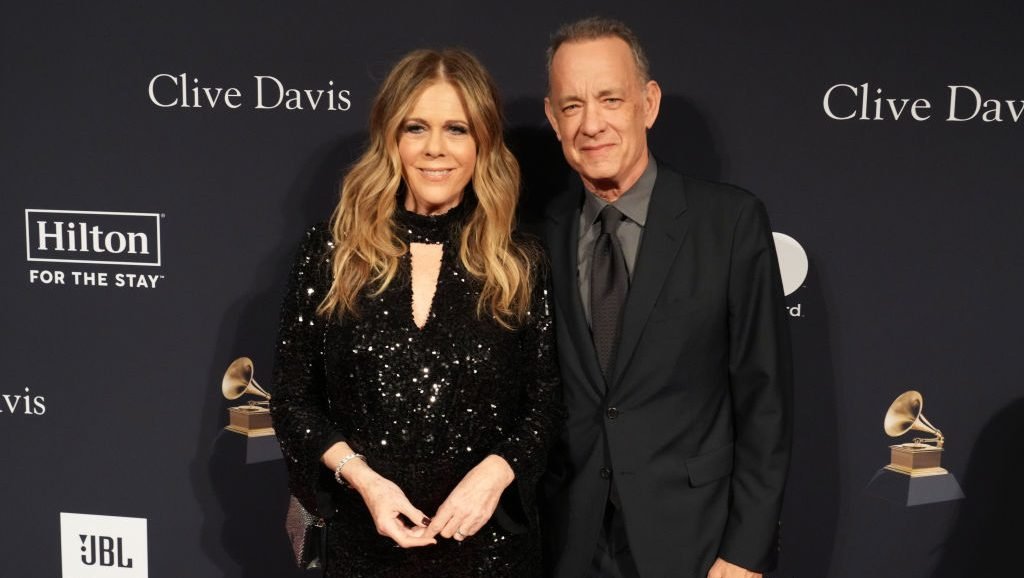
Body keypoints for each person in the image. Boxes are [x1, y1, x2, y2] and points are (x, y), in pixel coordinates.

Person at [269, 48, 563, 578]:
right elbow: (293, 400)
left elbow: (546, 403)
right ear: (390, 139)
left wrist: (496, 474)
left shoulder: (519, 261)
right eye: (415, 128)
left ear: (483, 143)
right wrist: (366, 481)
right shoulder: (333, 253)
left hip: (488, 545)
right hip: (365, 540)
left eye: (457, 129)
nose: (435, 149)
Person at [536, 17, 793, 578]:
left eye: (610, 98)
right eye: (573, 105)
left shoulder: (729, 221)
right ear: (554, 120)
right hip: (566, 544)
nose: (592, 123)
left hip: (695, 542)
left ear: (648, 104)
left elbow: (763, 396)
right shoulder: (538, 234)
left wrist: (746, 552)